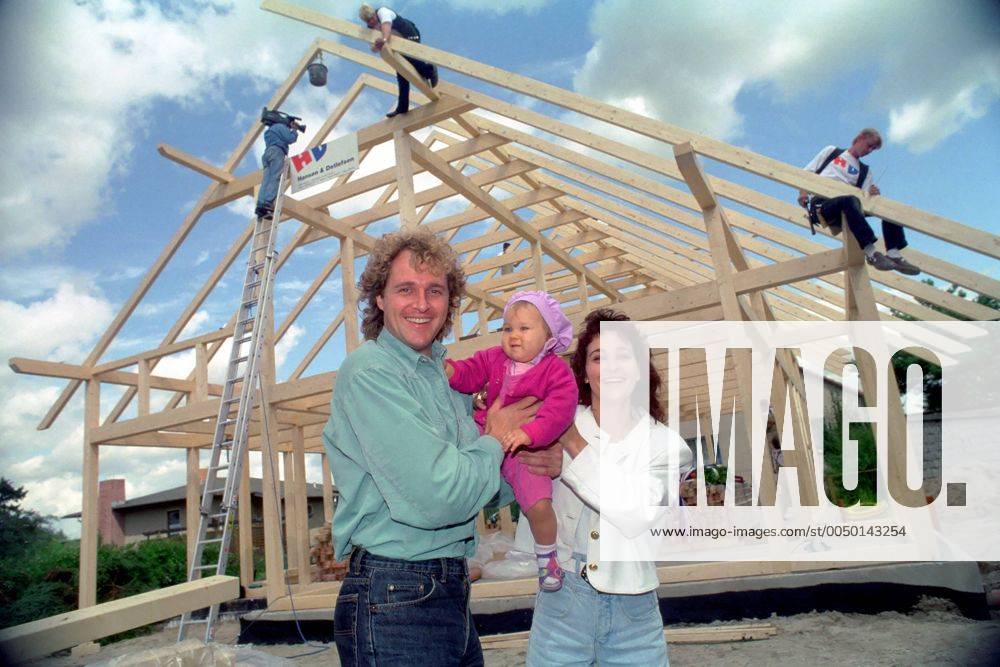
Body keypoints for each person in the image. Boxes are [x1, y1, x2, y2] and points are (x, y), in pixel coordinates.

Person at [323, 228, 561, 666]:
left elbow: (483, 490)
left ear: (449, 304)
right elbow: (440, 497)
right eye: (405, 289)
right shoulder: (371, 372)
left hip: (447, 587)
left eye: (435, 291)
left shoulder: (445, 379)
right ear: (379, 299)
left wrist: (533, 458)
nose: (421, 304)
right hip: (394, 592)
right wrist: (495, 436)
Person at [525, 308, 694, 666]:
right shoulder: (556, 422)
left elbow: (636, 511)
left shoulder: (668, 446)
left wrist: (569, 449)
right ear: (584, 373)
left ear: (638, 371)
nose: (612, 368)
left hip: (633, 609)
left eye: (623, 357)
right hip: (562, 599)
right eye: (599, 357)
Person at [446, 290, 578, 592]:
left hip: (528, 451)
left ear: (548, 335)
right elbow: (470, 371)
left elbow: (559, 412)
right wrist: (450, 369)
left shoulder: (556, 370)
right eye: (507, 328)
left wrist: (529, 434)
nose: (513, 336)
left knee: (539, 506)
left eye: (524, 328)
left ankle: (547, 558)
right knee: (458, 474)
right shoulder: (496, 358)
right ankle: (456, 552)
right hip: (485, 433)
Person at [797, 128, 920, 275]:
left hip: (850, 208)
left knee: (889, 207)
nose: (870, 150)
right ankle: (871, 253)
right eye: (869, 145)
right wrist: (803, 193)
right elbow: (807, 173)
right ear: (859, 138)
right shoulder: (832, 152)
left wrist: (872, 195)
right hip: (824, 206)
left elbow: (865, 202)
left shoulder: (865, 171)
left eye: (873, 149)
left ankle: (894, 253)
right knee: (850, 200)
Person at [359, 4, 439, 118]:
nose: (371, 22)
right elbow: (373, 47)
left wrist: (384, 40)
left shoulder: (383, 12)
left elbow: (387, 26)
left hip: (410, 35)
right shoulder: (370, 28)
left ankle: (429, 70)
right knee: (401, 71)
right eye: (368, 21)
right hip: (397, 45)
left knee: (403, 60)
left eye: (372, 18)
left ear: (374, 14)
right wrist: (376, 46)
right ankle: (402, 107)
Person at [254, 117, 302, 220]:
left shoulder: (269, 131)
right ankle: (267, 203)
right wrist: (294, 130)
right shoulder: (281, 127)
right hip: (277, 152)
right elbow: (290, 139)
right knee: (275, 177)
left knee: (266, 180)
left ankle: (261, 205)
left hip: (267, 154)